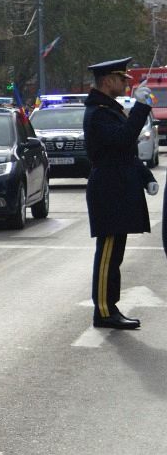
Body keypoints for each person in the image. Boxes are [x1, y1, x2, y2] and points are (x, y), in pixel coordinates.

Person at [85, 57, 152, 329]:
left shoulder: (107, 109)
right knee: (108, 255)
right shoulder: (98, 112)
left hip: (117, 188)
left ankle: (110, 307)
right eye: (122, 79)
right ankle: (103, 311)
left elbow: (124, 151)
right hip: (109, 191)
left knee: (115, 255)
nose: (127, 83)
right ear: (107, 81)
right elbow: (124, 139)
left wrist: (146, 177)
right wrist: (141, 107)